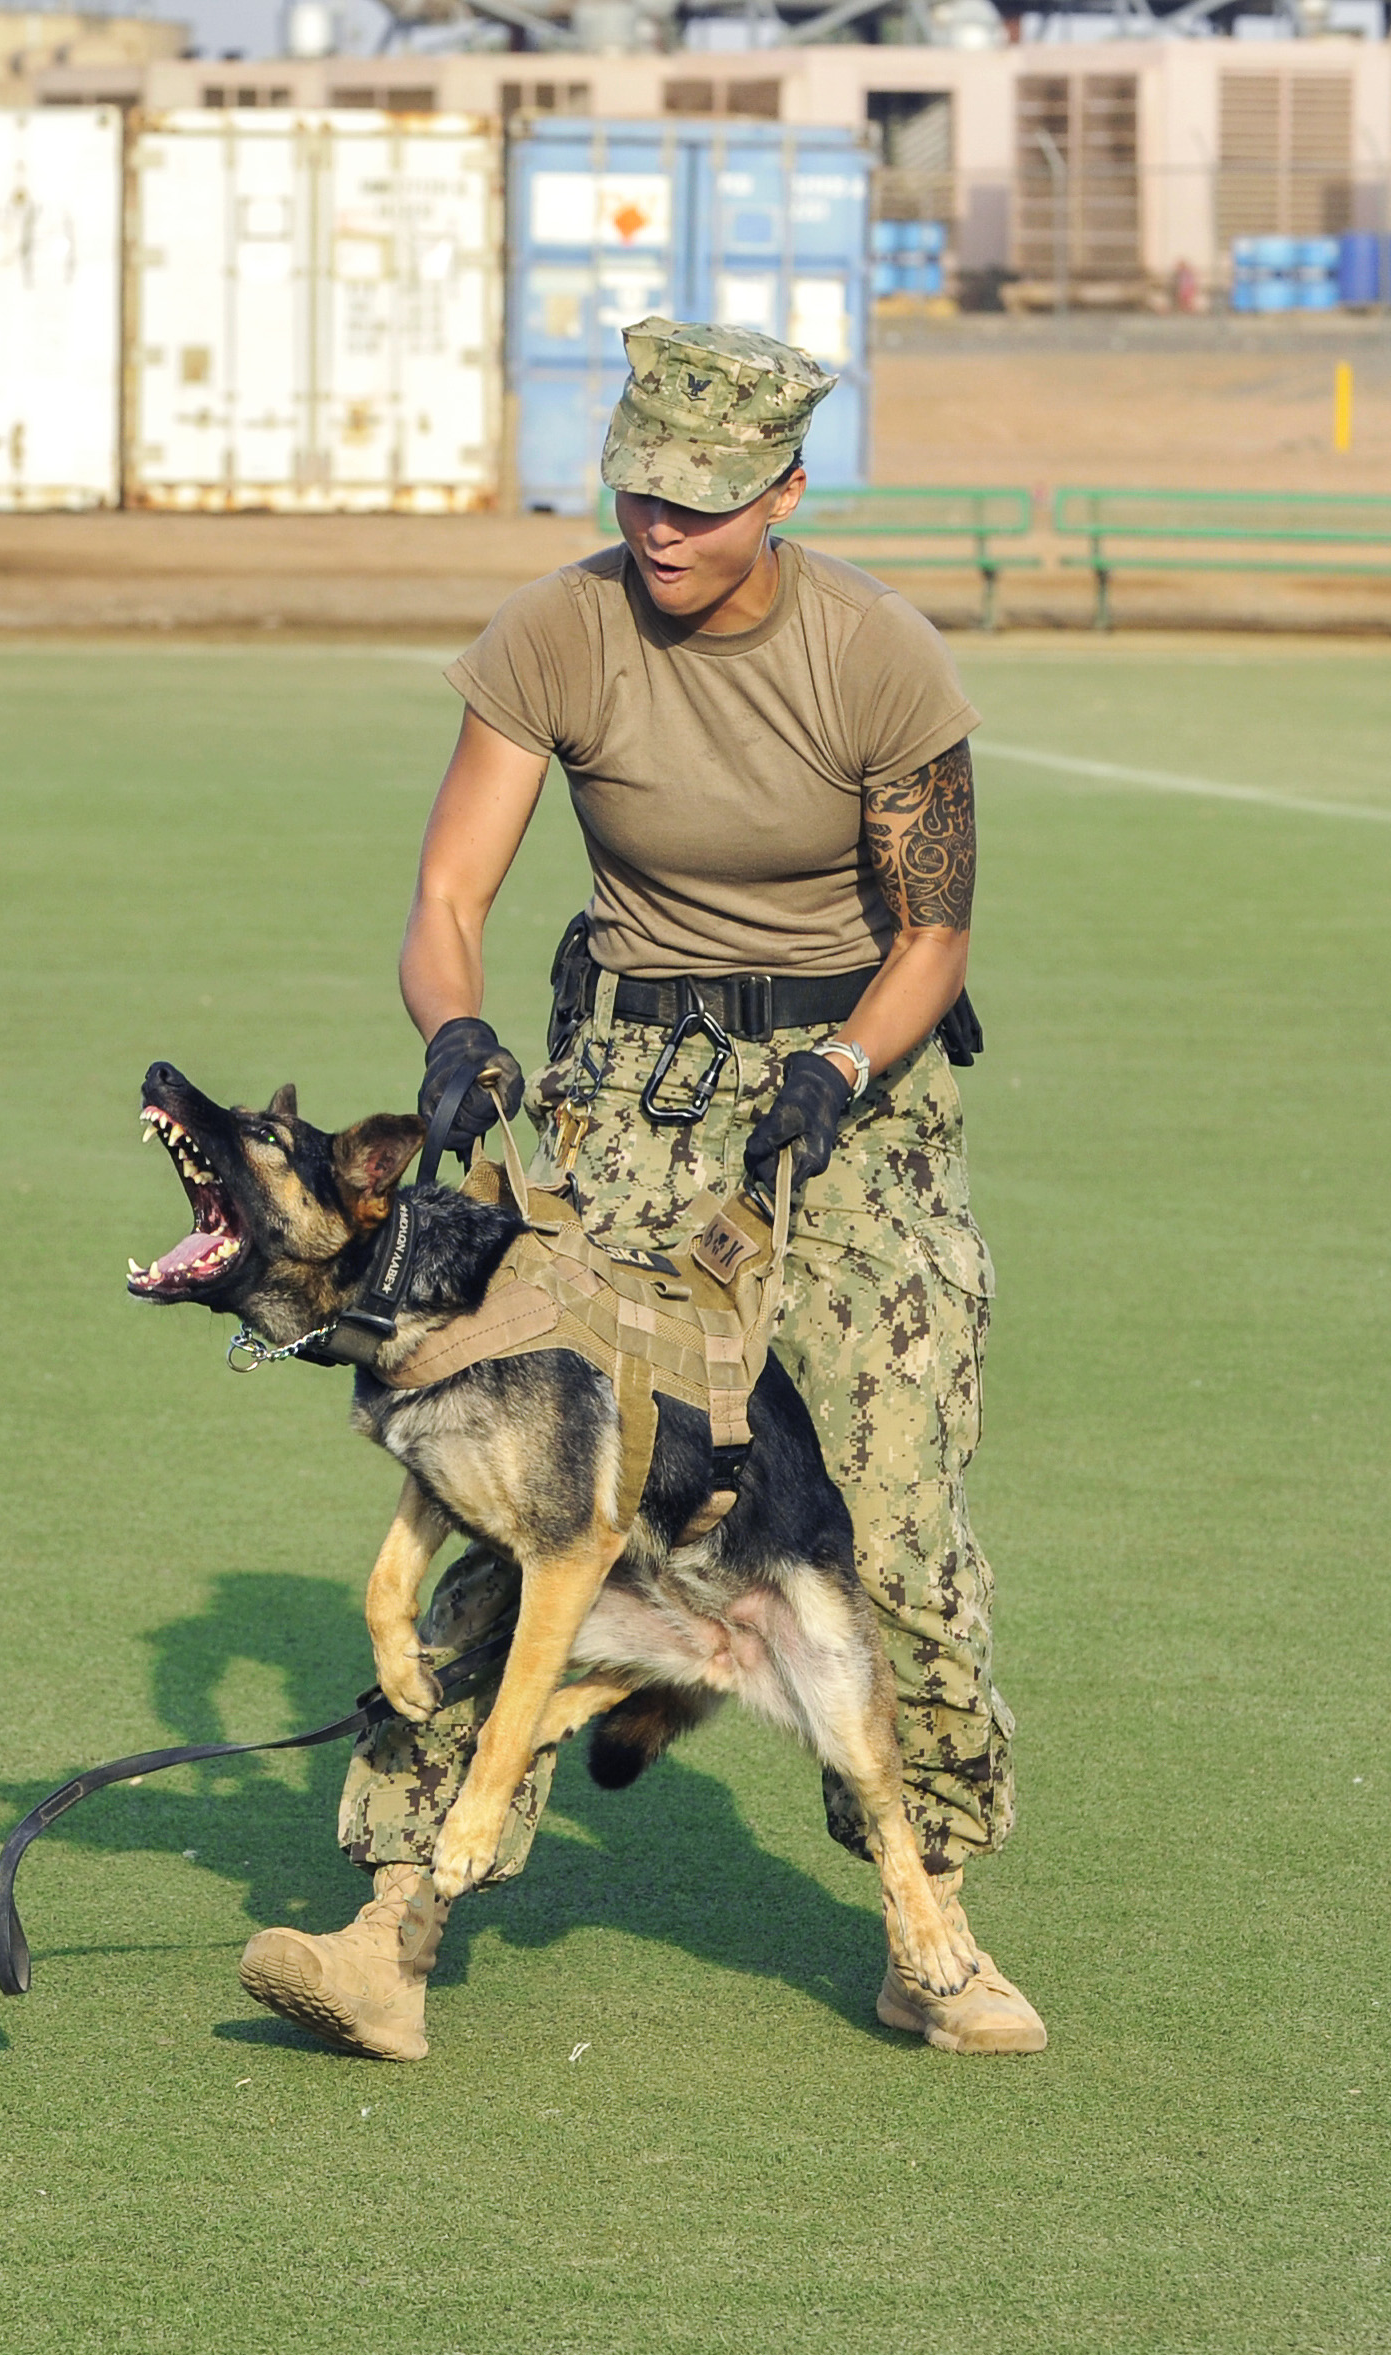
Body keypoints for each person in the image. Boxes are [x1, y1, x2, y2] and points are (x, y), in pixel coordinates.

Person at [238, 319, 1045, 2064]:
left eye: (697, 498)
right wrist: (452, 1027)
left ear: (783, 490)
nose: (658, 525)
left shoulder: (877, 655)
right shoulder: (559, 631)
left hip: (854, 1097)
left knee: (893, 1521)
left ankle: (930, 1919)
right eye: (634, 490)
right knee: (517, 1494)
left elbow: (936, 934)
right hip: (628, 1099)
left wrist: (836, 1071)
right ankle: (396, 1923)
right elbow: (450, 891)